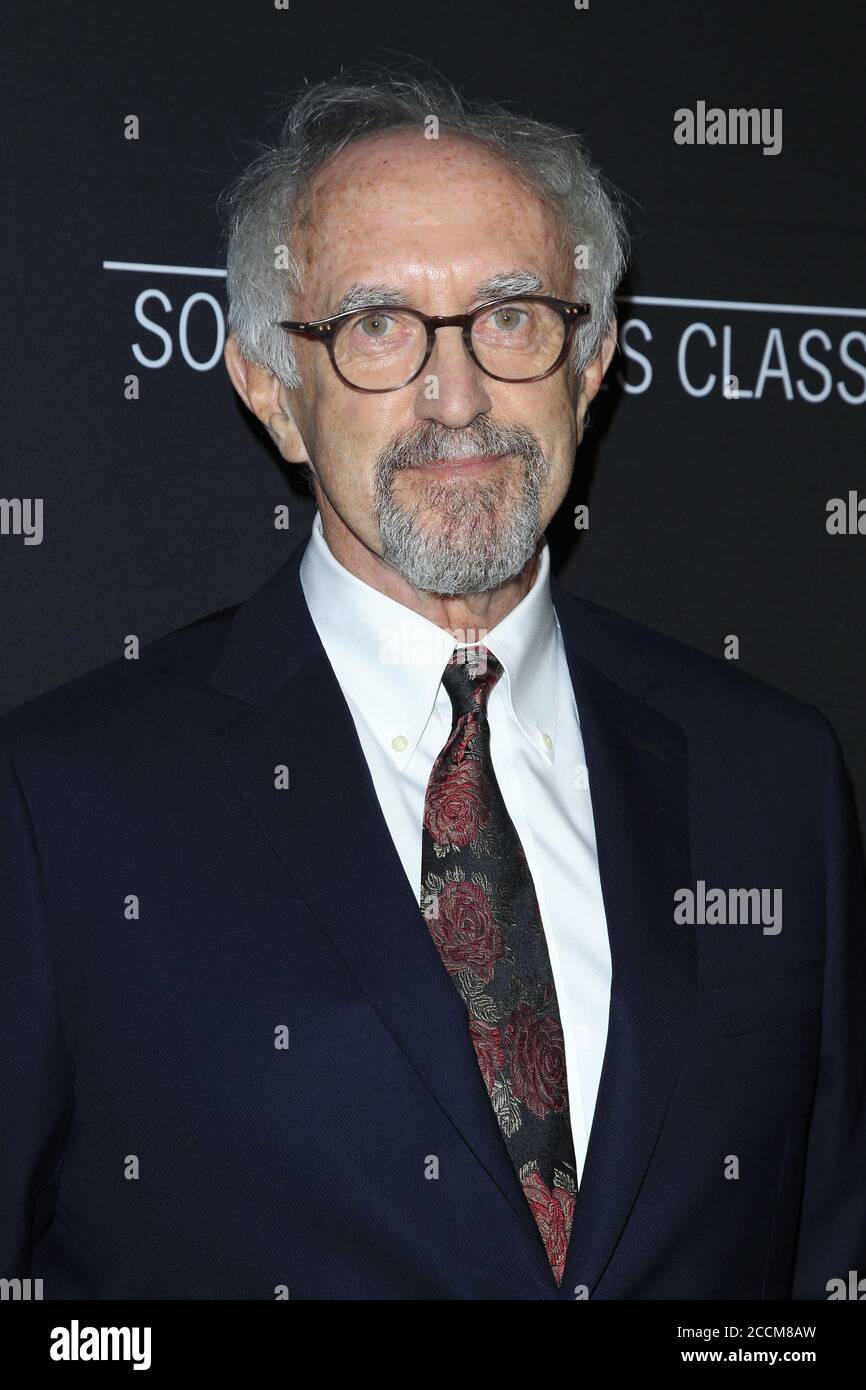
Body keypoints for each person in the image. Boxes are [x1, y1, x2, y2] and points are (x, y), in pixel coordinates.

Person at [1, 66, 864, 1301]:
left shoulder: (769, 774)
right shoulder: (62, 802)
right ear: (270, 390)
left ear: (592, 359)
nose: (454, 394)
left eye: (510, 314)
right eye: (375, 326)